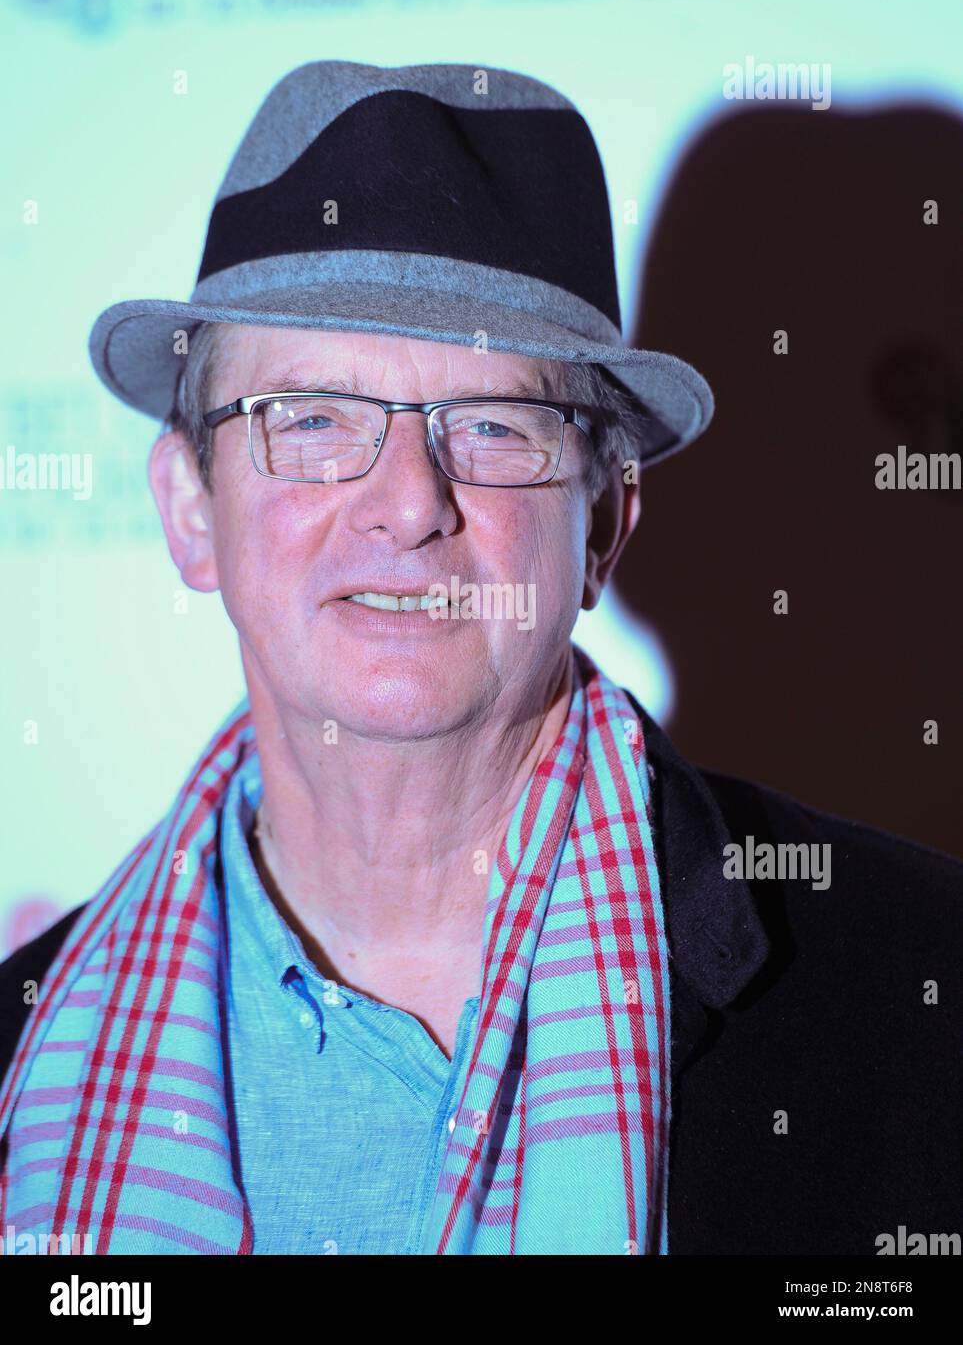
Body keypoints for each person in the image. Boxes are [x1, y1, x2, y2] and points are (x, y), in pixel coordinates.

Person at [1, 61, 960, 1257]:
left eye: (494, 423)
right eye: (310, 416)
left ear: (603, 524)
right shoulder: (19, 1055)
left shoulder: (924, 997)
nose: (407, 505)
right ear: (192, 510)